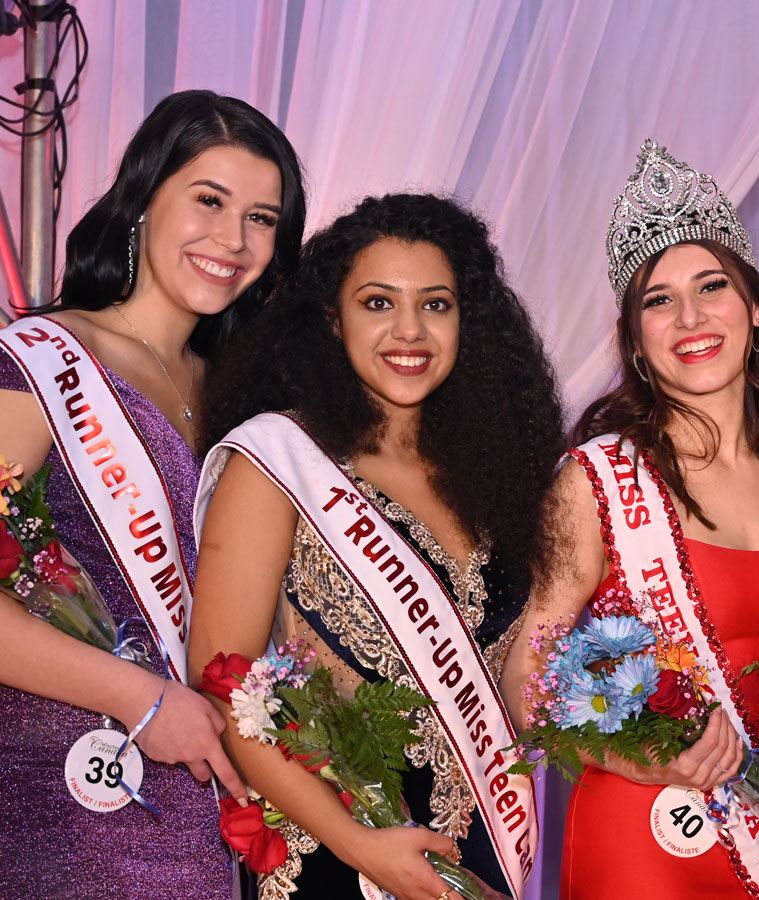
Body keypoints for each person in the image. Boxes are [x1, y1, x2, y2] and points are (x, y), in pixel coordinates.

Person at [0, 89, 304, 899]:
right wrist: (141, 698)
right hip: (53, 802)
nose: (232, 239)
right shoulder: (40, 359)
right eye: (208, 201)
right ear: (144, 199)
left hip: (199, 800)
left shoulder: (240, 396)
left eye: (262, 218)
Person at [187, 193, 562, 900]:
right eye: (379, 303)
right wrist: (361, 845)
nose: (410, 331)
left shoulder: (502, 476)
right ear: (333, 318)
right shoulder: (279, 462)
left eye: (437, 305)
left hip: (482, 847)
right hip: (337, 856)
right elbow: (224, 687)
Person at [499, 140, 759, 900]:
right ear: (638, 341)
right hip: (646, 832)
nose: (690, 317)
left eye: (712, 286)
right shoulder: (596, 480)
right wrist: (632, 759)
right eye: (658, 299)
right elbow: (527, 675)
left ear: (753, 312)